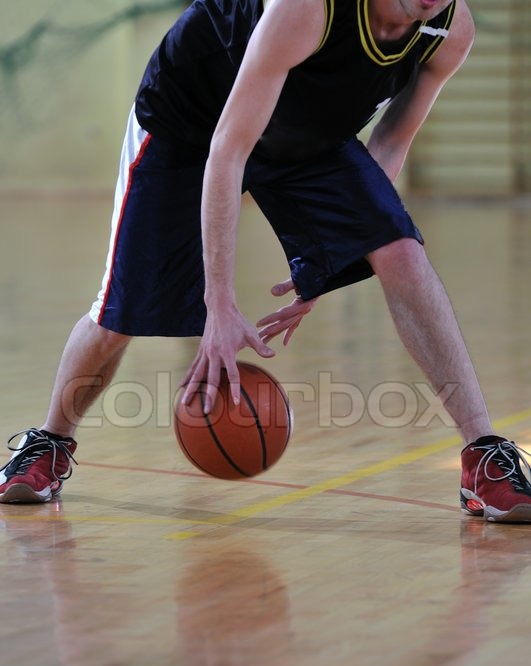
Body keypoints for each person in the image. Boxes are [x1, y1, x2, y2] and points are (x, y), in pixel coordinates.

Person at [1, 0, 530, 522]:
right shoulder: (307, 9)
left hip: (307, 135)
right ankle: (48, 441)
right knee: (122, 312)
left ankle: (484, 456)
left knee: (403, 252)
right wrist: (219, 304)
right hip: (191, 124)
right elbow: (228, 150)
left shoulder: (448, 31)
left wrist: (333, 254)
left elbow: (391, 142)